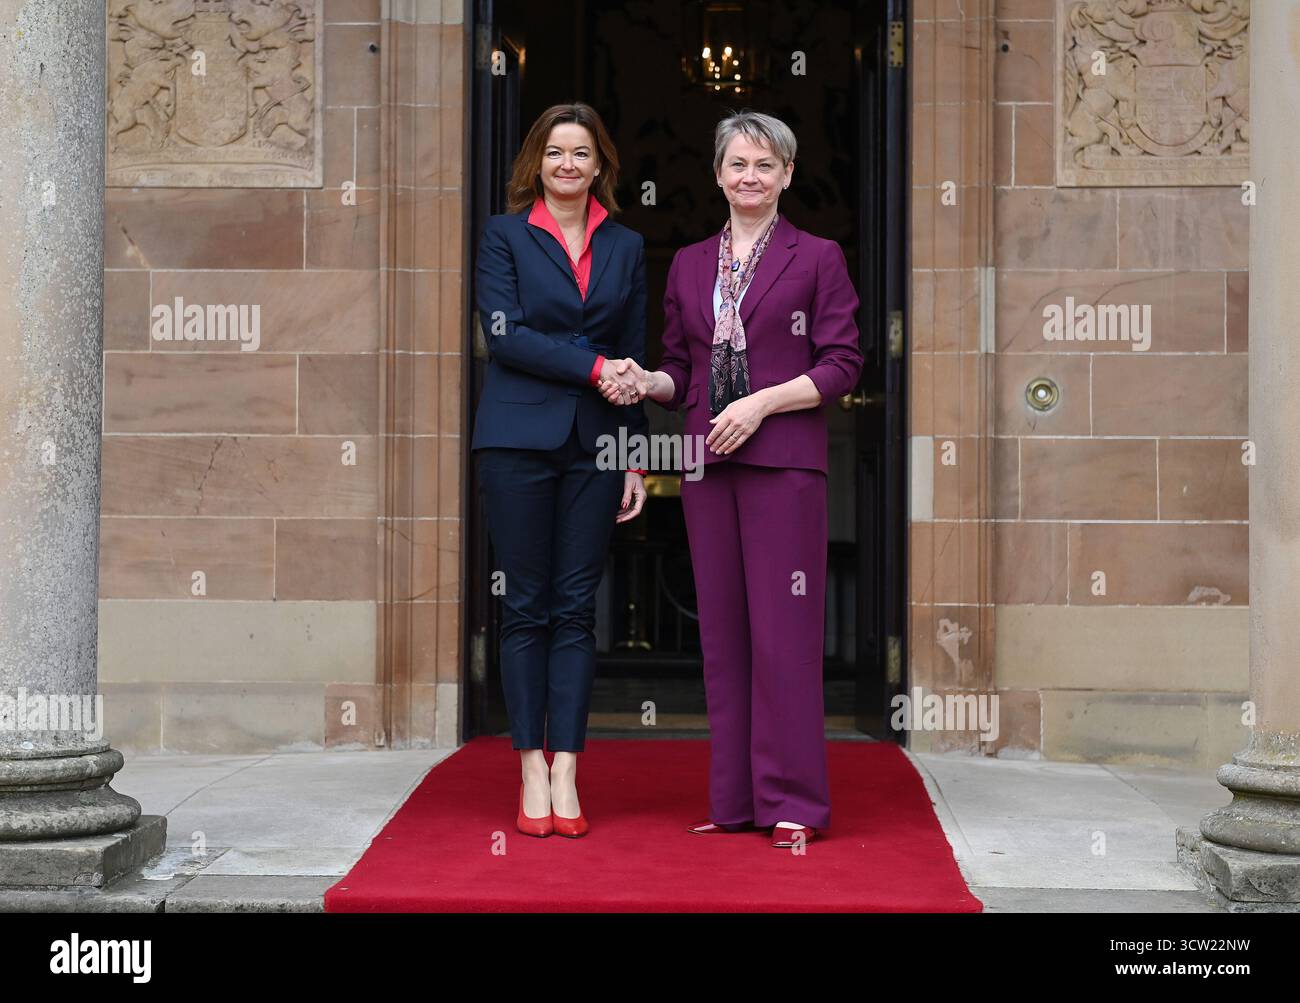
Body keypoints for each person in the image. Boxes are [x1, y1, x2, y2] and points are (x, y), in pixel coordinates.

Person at [606, 110, 863, 847]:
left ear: (786, 174)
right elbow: (679, 369)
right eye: (738, 164)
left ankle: (796, 805)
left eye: (765, 165)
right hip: (705, 461)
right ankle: (738, 800)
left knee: (783, 634)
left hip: (783, 464)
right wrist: (643, 379)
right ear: (718, 173)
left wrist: (760, 404)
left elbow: (843, 363)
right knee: (723, 635)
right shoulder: (689, 263)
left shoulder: (817, 257)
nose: (750, 177)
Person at [472, 102, 650, 838]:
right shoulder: (504, 235)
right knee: (526, 606)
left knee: (576, 610)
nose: (568, 165)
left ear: (600, 164)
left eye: (581, 153)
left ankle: (569, 763)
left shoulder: (627, 244)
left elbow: (636, 350)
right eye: (554, 153)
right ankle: (529, 765)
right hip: (516, 438)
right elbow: (505, 335)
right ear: (535, 165)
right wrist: (595, 365)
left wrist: (636, 453)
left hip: (598, 443)